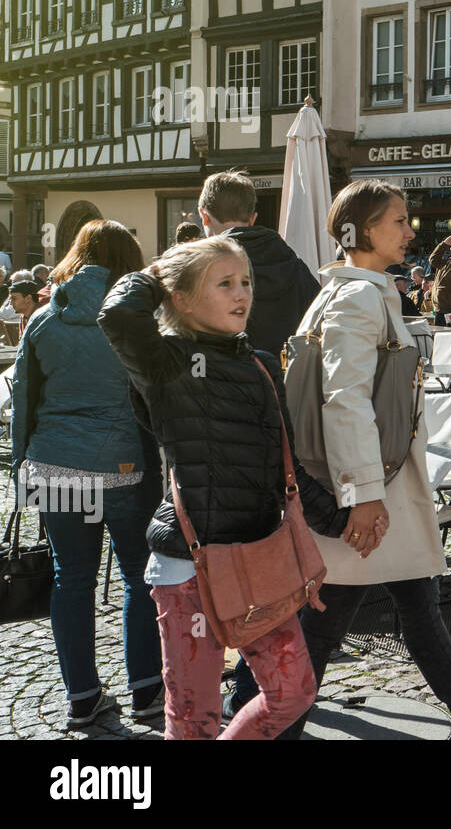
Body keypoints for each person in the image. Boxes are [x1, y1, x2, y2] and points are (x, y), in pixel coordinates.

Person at [282, 180, 451, 740]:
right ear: (365, 230)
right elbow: (342, 398)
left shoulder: (354, 293)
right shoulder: (357, 297)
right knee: (334, 617)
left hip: (377, 483)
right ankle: (270, 719)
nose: (409, 230)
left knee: (403, 602)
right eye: (397, 220)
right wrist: (365, 493)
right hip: (375, 489)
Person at [99, 236, 352, 740]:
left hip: (258, 563)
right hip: (187, 568)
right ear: (181, 299)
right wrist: (160, 274)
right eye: (224, 284)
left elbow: (287, 468)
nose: (242, 294)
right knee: (193, 718)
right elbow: (118, 316)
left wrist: (344, 521)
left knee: (294, 692)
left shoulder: (259, 362)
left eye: (246, 282)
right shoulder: (166, 364)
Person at [11, 221, 162, 729]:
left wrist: (21, 466)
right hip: (122, 465)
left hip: (55, 465)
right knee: (140, 576)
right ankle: (146, 690)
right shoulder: (135, 319)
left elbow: (24, 405)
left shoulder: (43, 320)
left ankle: (82, 696)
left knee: (70, 578)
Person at [199, 170, 324, 719]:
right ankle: (271, 677)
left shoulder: (207, 268)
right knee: (274, 548)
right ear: (254, 214)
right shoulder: (296, 266)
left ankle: (241, 686)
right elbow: (315, 341)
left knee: (224, 556)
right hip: (286, 426)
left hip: (220, 430)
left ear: (207, 217)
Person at [198, 170, 321, 359]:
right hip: (287, 381)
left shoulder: (202, 269)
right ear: (253, 218)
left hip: (226, 381)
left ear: (204, 216)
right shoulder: (295, 266)